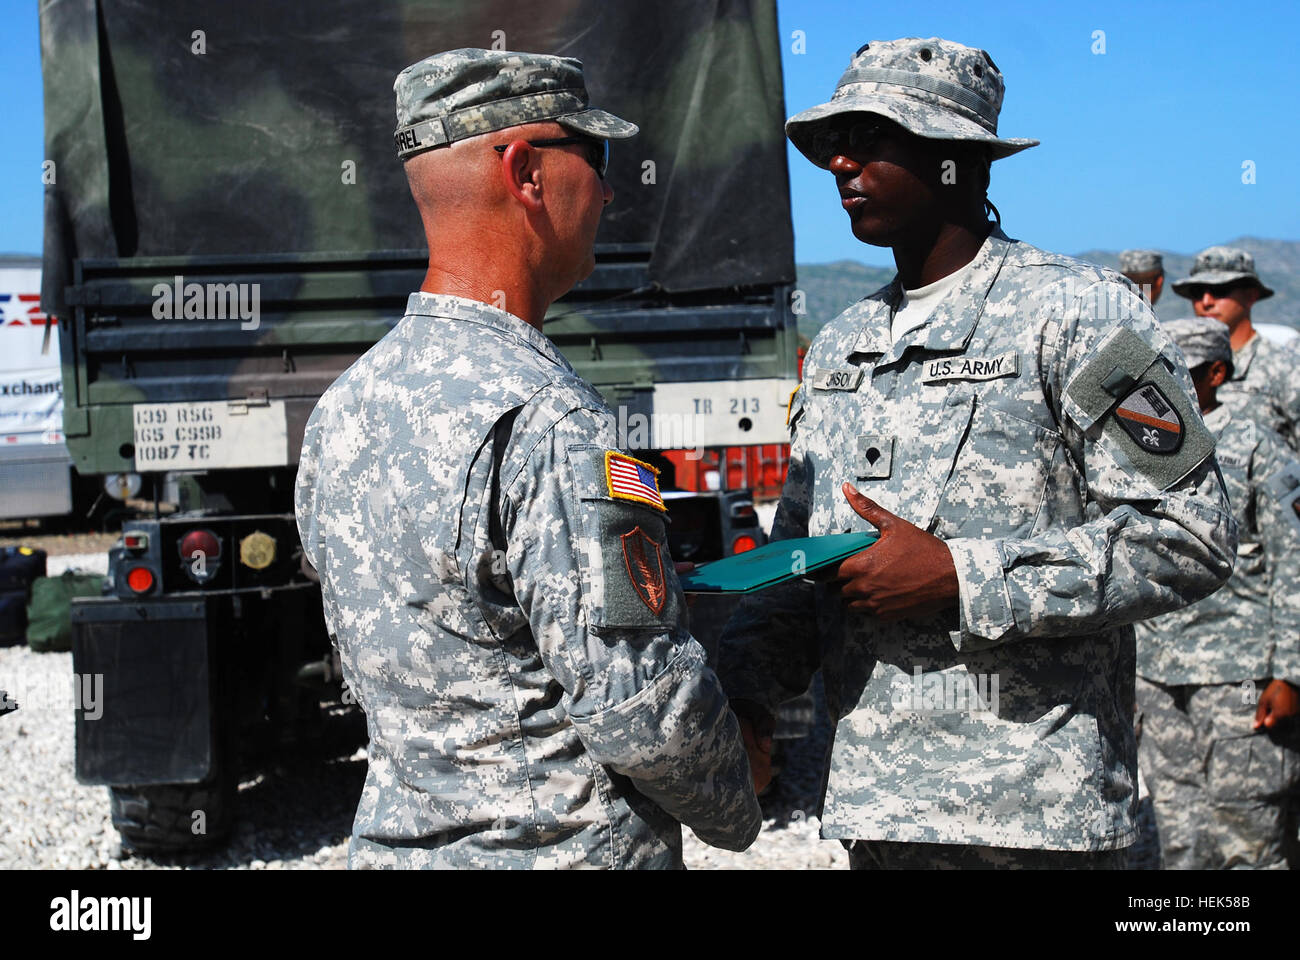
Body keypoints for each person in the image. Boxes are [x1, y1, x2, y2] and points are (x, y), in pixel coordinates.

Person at [718, 37, 1237, 869]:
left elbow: (1190, 534)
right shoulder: (844, 343)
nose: (842, 162)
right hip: (880, 814)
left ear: (958, 158)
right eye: (833, 143)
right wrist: (744, 694)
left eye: (873, 137)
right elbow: (799, 562)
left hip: (1035, 818)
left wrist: (963, 577)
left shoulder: (1081, 315)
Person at [294, 48, 760, 869]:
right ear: (525, 171)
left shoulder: (343, 408)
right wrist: (739, 793)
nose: (608, 191)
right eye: (595, 155)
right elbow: (639, 710)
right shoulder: (550, 417)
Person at [1135, 317, 1300, 869]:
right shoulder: (1143, 442)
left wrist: (1290, 673)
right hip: (1158, 675)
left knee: (1249, 835)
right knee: (1179, 836)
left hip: (1240, 673)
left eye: (1181, 370)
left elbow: (1293, 561)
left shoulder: (1256, 445)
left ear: (1216, 374)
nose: (1166, 382)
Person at [1171, 246, 1300, 450]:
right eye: (1197, 292)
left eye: (1219, 291)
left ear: (1251, 296)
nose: (1206, 302)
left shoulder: (1286, 369)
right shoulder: (1177, 366)